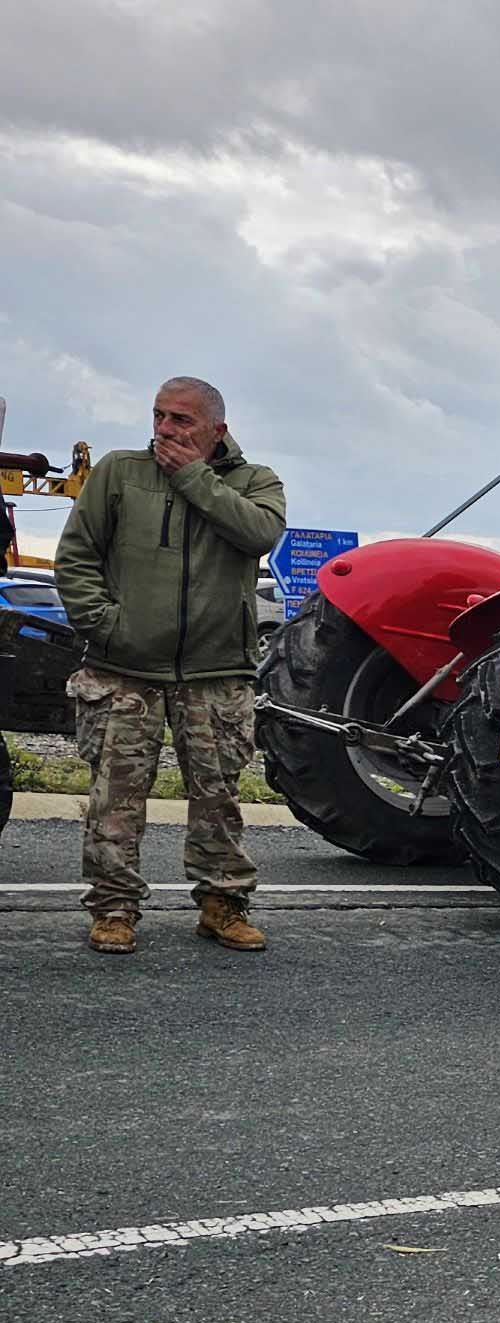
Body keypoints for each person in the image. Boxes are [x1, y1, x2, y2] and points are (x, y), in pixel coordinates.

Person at [54, 378, 286, 956]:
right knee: (115, 799)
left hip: (215, 672)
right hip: (123, 669)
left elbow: (259, 533)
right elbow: (75, 557)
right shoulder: (118, 471)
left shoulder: (256, 482)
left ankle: (222, 905)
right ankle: (114, 909)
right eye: (159, 416)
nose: (164, 429)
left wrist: (191, 476)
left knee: (218, 798)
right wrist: (106, 625)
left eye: (181, 420)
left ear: (217, 430)